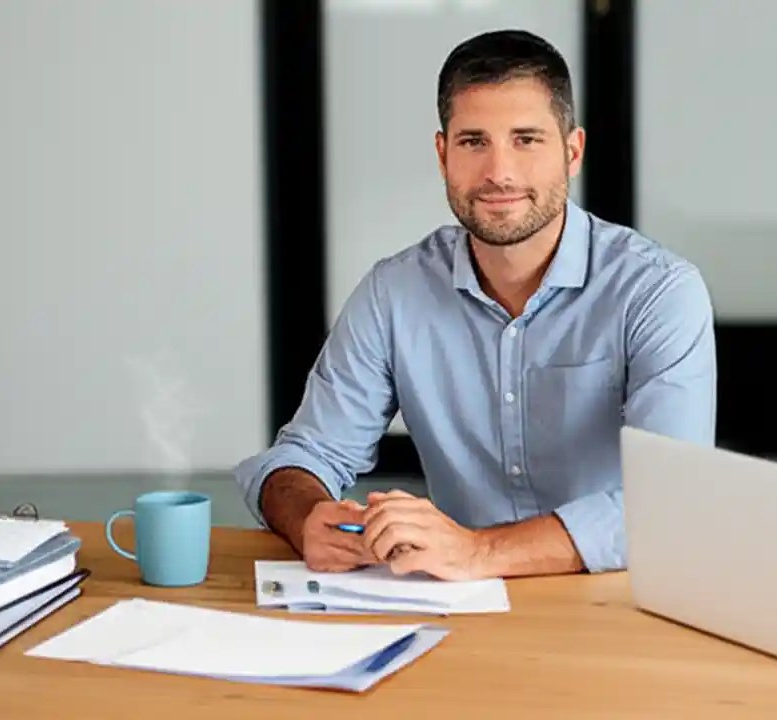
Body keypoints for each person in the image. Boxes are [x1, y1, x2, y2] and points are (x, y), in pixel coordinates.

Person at [234, 29, 716, 581]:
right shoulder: (394, 292)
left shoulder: (658, 291)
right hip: (454, 602)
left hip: (613, 597)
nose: (499, 173)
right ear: (443, 155)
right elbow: (305, 455)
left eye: (526, 139)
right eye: (473, 142)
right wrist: (308, 519)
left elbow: (674, 504)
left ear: (573, 151)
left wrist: (478, 552)